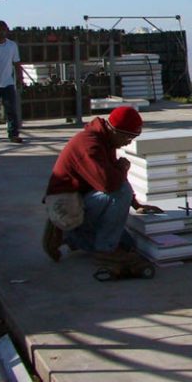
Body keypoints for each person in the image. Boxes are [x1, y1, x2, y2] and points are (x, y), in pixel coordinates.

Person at [41, 106, 162, 271]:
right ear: (115, 131)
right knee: (120, 192)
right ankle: (104, 250)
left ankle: (68, 235)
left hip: (81, 199)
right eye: (129, 136)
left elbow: (113, 178)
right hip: (65, 203)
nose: (129, 142)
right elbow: (108, 185)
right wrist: (122, 169)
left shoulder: (106, 140)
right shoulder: (89, 145)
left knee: (128, 245)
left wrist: (136, 204)